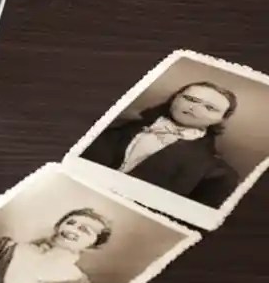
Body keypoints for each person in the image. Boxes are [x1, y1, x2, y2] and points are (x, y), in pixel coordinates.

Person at [80, 81, 240, 208]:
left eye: (210, 108)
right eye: (190, 99)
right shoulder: (113, 123)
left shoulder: (217, 173)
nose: (194, 108)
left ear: (222, 118)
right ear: (174, 99)